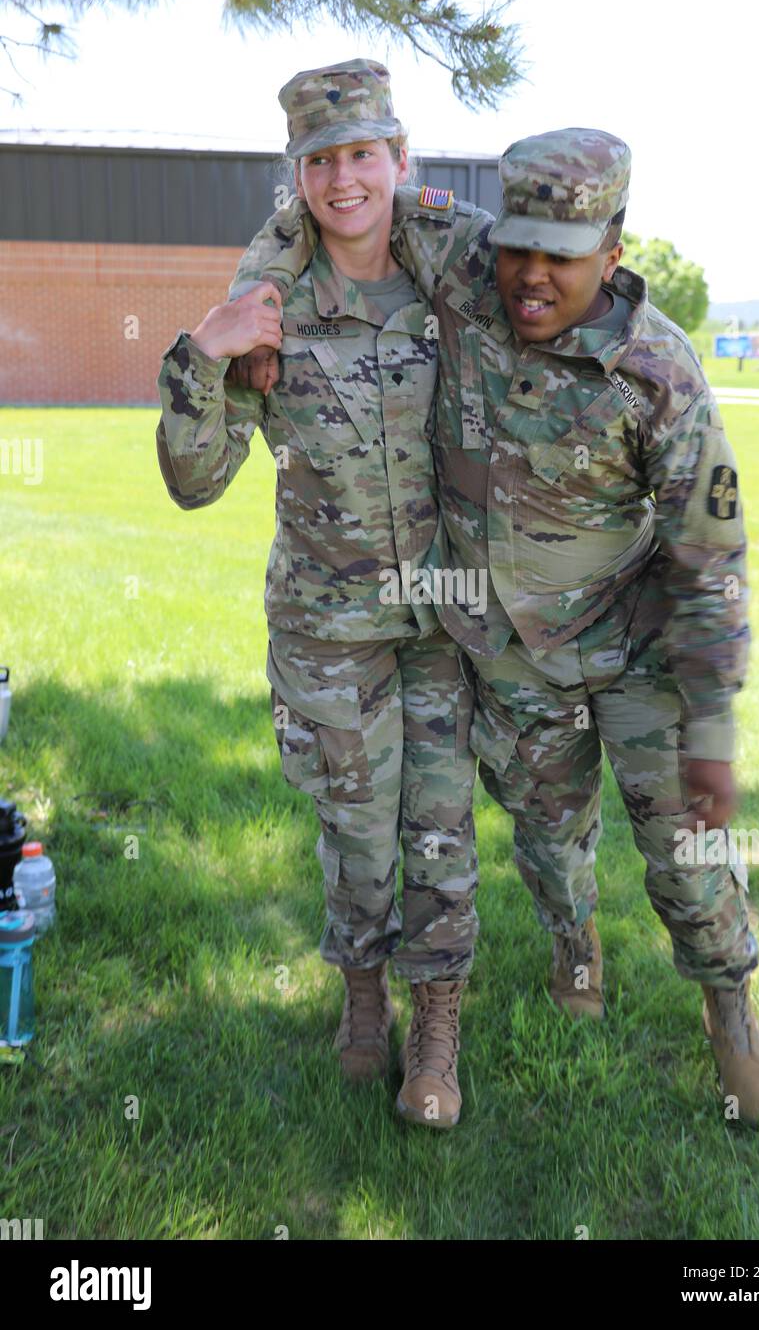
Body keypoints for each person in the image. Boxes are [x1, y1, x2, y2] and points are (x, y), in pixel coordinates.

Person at [228, 126, 759, 1125]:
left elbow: (711, 558)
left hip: (636, 643)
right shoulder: (461, 264)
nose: (530, 275)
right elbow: (323, 204)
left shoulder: (658, 372)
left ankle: (729, 1005)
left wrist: (709, 732)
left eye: (561, 258)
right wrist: (256, 305)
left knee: (687, 850)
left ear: (611, 253)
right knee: (546, 836)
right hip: (512, 648)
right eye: (518, 246)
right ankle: (575, 939)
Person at [154, 59, 479, 1130]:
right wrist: (205, 352)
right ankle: (362, 991)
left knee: (437, 827)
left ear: (398, 158)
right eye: (320, 160)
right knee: (356, 828)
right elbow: (193, 483)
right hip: (327, 623)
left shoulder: (453, 280)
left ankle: (436, 1029)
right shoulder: (268, 301)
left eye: (361, 154)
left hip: (439, 614)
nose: (343, 179)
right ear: (298, 174)